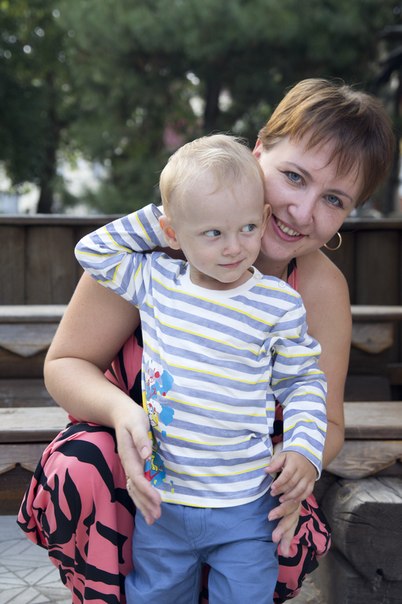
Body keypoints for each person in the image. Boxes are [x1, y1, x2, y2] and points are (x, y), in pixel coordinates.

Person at [17, 78, 394, 604]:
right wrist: (124, 415)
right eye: (293, 177)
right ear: (257, 152)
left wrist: (298, 461)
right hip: (140, 464)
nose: (302, 211)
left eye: (333, 199)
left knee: (273, 526)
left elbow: (325, 419)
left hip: (243, 482)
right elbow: (65, 363)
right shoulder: (154, 257)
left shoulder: (318, 290)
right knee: (83, 465)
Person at [74, 134, 327, 603]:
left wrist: (305, 449)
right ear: (172, 234)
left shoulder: (278, 304)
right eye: (213, 233)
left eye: (248, 227)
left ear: (263, 218)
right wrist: (172, 213)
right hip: (163, 504)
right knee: (156, 596)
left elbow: (304, 383)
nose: (234, 248)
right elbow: (92, 251)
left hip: (247, 507)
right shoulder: (155, 283)